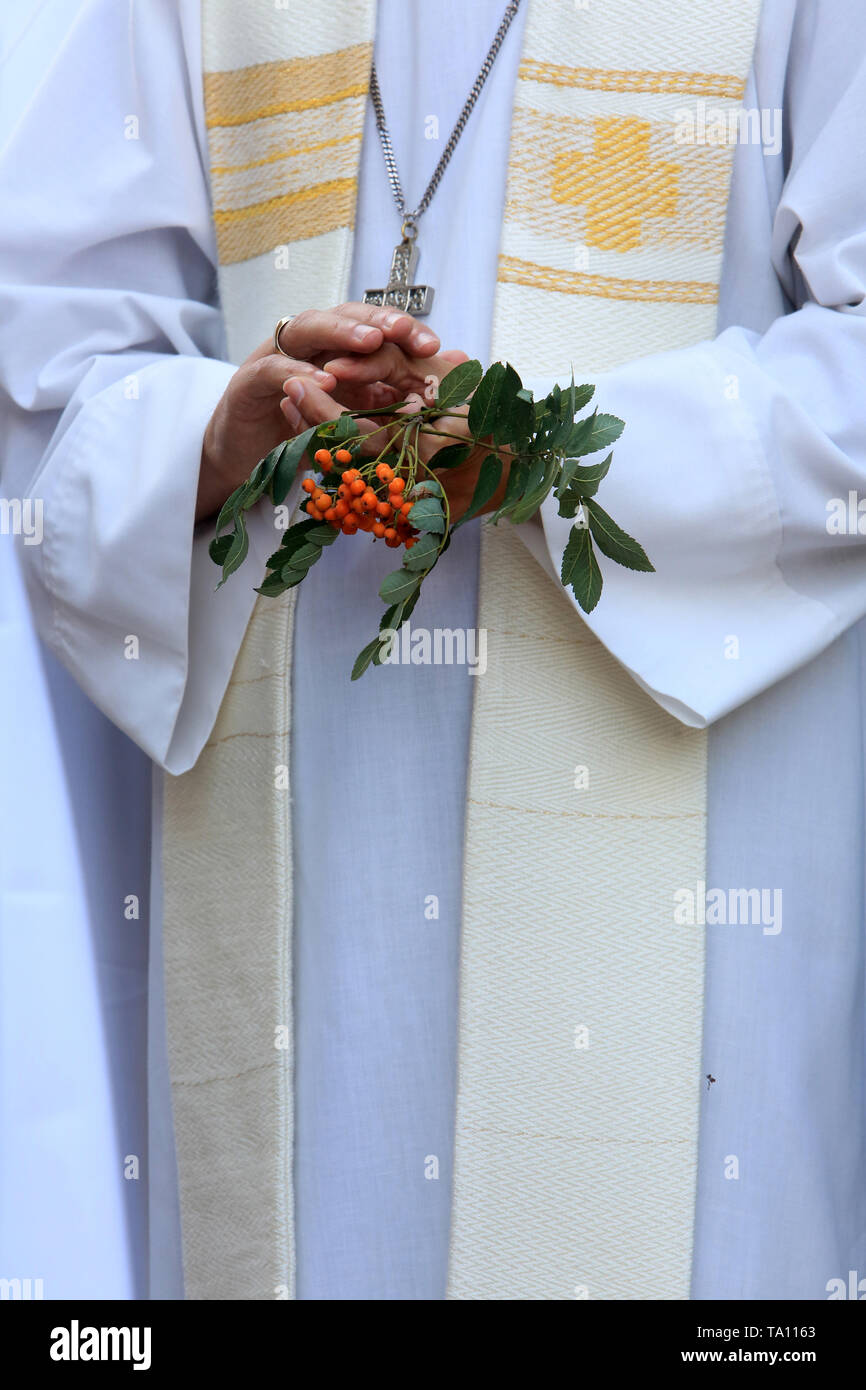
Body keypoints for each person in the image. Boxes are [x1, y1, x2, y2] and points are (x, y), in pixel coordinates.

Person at [2, 0, 865, 1300]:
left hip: (691, 858)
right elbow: (57, 367)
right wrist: (222, 436)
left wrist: (551, 453)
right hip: (309, 849)